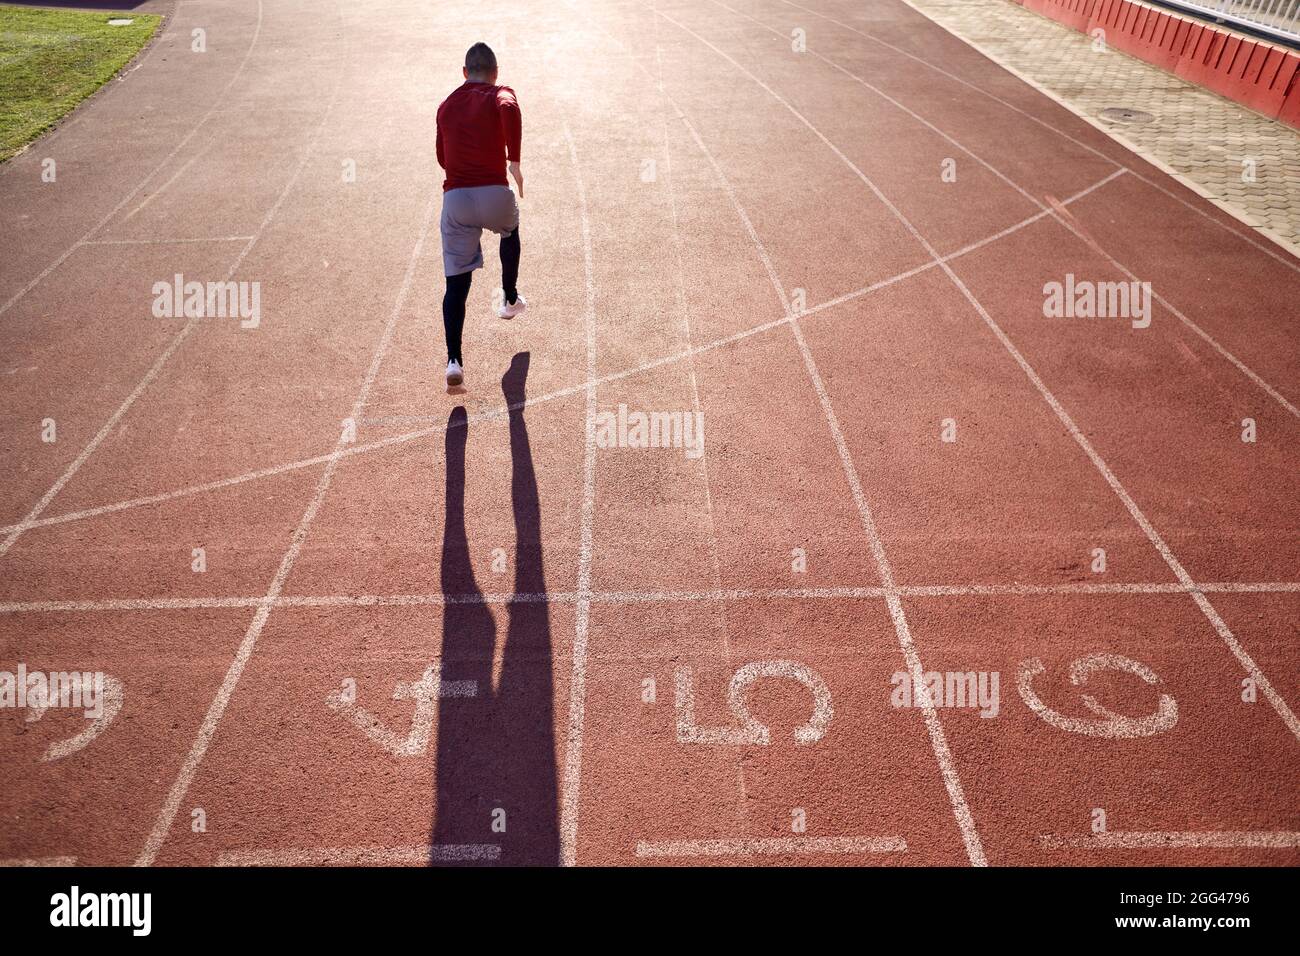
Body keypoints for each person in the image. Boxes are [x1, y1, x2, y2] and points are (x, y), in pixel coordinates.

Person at [435, 42, 526, 388]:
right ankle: (509, 296)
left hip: (456, 199)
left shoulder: (446, 106)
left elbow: (443, 159)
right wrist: (513, 162)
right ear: (495, 73)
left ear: (464, 73)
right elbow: (509, 108)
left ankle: (454, 359)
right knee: (509, 230)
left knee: (455, 286)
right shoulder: (500, 94)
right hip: (494, 195)